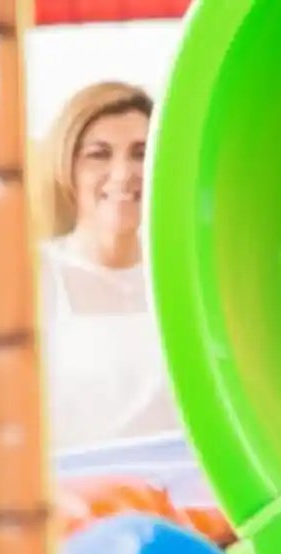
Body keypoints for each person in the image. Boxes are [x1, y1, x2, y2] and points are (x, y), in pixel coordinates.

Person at [35, 81, 181, 452]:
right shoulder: (34, 275)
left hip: (181, 500)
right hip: (77, 502)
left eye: (140, 153)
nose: (123, 173)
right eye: (99, 155)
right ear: (66, 167)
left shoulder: (183, 278)